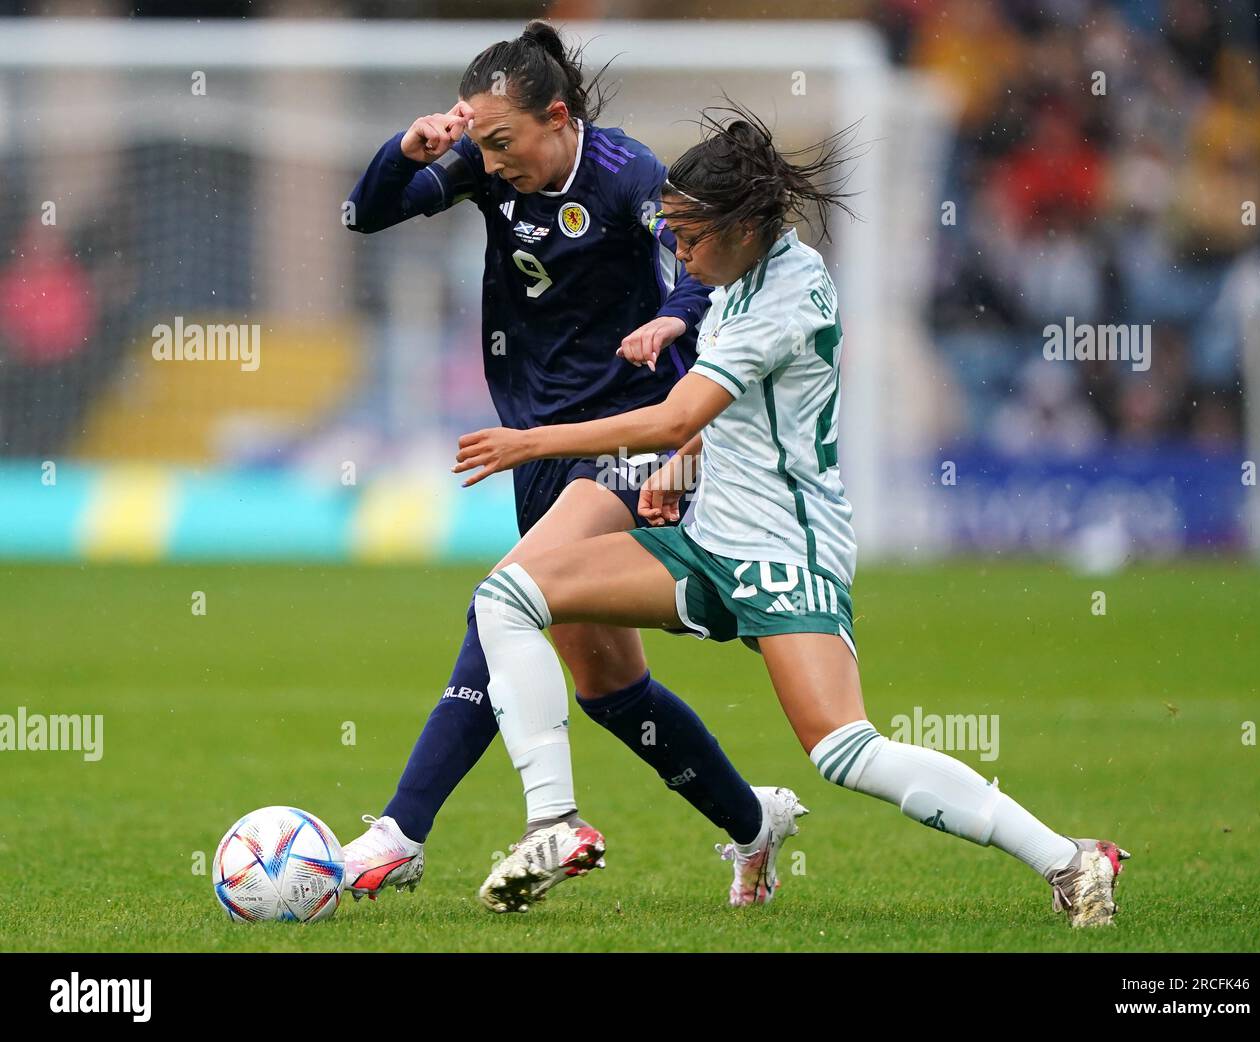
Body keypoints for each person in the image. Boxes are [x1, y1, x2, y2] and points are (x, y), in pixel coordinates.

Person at [454, 105, 1131, 926]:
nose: (679, 253)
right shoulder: (744, 276)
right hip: (707, 545)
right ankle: (555, 823)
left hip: (784, 550)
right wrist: (685, 464)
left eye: (690, 237)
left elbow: (673, 413)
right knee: (508, 595)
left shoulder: (786, 296)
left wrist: (534, 443)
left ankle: (1071, 859)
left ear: (743, 228)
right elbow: (734, 417)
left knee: (844, 750)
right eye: (670, 233)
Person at [342, 22, 802, 909]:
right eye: (476, 142)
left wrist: (675, 317)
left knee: (499, 601)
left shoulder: (628, 175)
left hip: (629, 440)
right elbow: (368, 211)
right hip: (539, 446)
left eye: (502, 140)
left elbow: (701, 262)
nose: (489, 158)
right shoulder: (484, 164)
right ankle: (754, 824)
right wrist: (406, 150)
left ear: (558, 118)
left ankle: (408, 831)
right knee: (610, 688)